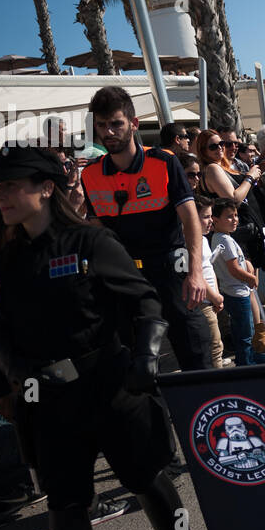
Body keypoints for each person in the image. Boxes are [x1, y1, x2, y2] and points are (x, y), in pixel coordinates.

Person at [0, 144, 205, 530]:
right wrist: (16, 372)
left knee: (147, 477)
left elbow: (145, 300)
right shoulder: (11, 259)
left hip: (111, 385)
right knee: (65, 504)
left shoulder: (90, 240)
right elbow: (0, 330)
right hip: (51, 400)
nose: (3, 198)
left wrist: (147, 357)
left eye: (13, 187)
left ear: (45, 188)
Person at [79, 86, 209, 370]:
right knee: (134, 363)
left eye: (116, 123)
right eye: (102, 125)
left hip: (172, 273)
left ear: (133, 124)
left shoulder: (163, 162)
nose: (109, 132)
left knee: (196, 352)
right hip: (126, 278)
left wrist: (196, 273)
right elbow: (97, 230)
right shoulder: (90, 174)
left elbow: (190, 219)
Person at [209, 198, 265, 366]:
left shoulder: (222, 237)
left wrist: (247, 264)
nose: (235, 219)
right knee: (244, 331)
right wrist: (250, 277)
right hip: (237, 292)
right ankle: (245, 361)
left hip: (233, 290)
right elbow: (233, 268)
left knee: (243, 328)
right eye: (229, 217)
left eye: (235, 215)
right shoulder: (224, 240)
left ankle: (251, 355)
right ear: (215, 220)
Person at [193, 195, 228, 367]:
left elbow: (208, 268)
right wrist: (214, 297)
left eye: (211, 216)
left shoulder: (203, 239)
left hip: (212, 299)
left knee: (217, 344)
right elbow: (195, 275)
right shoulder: (190, 241)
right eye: (206, 217)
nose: (211, 221)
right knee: (214, 346)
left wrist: (217, 295)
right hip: (203, 301)